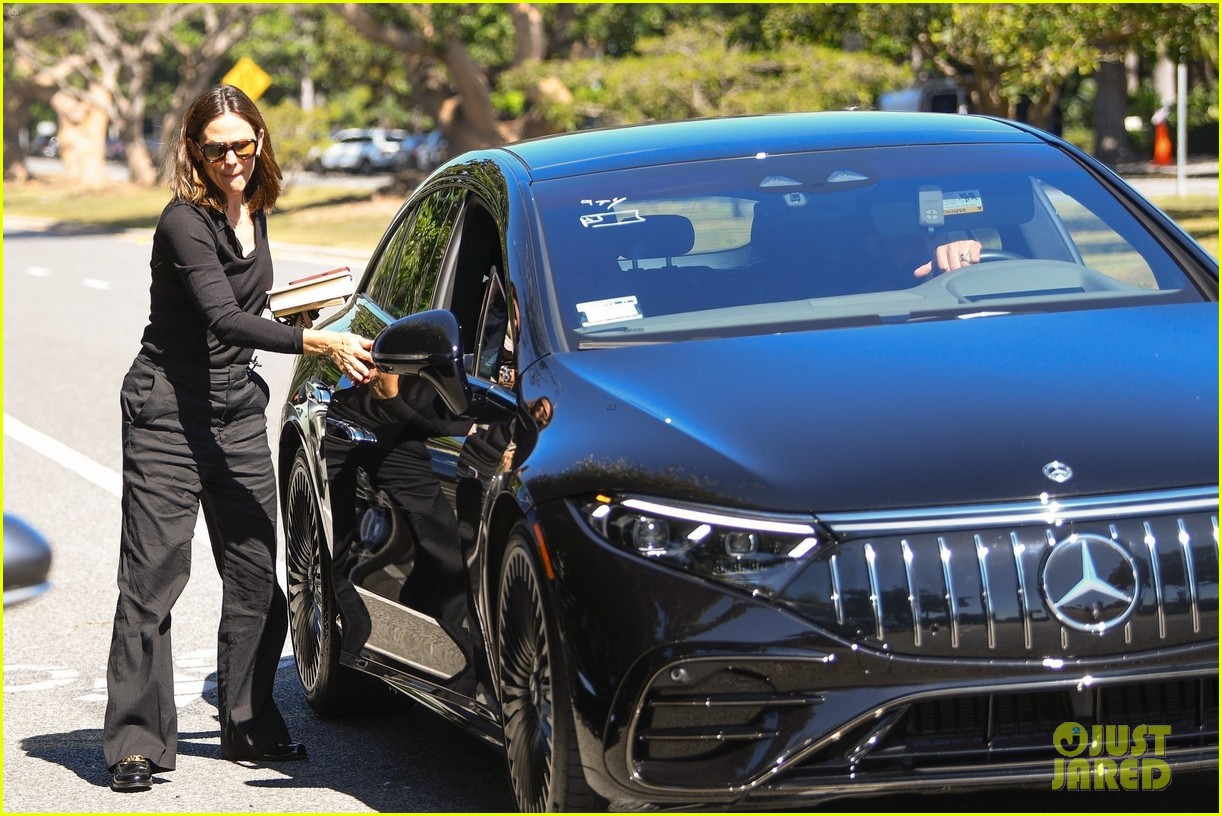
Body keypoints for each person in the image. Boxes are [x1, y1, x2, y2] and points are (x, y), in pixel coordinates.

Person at [104, 84, 374, 792]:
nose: (232, 159)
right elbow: (223, 318)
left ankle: (248, 721)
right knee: (153, 577)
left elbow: (247, 305)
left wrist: (300, 308)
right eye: (217, 147)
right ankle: (135, 742)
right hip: (169, 407)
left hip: (234, 412)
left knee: (256, 568)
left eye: (243, 144)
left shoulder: (254, 207)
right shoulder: (183, 223)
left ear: (260, 143)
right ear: (195, 149)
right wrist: (312, 338)